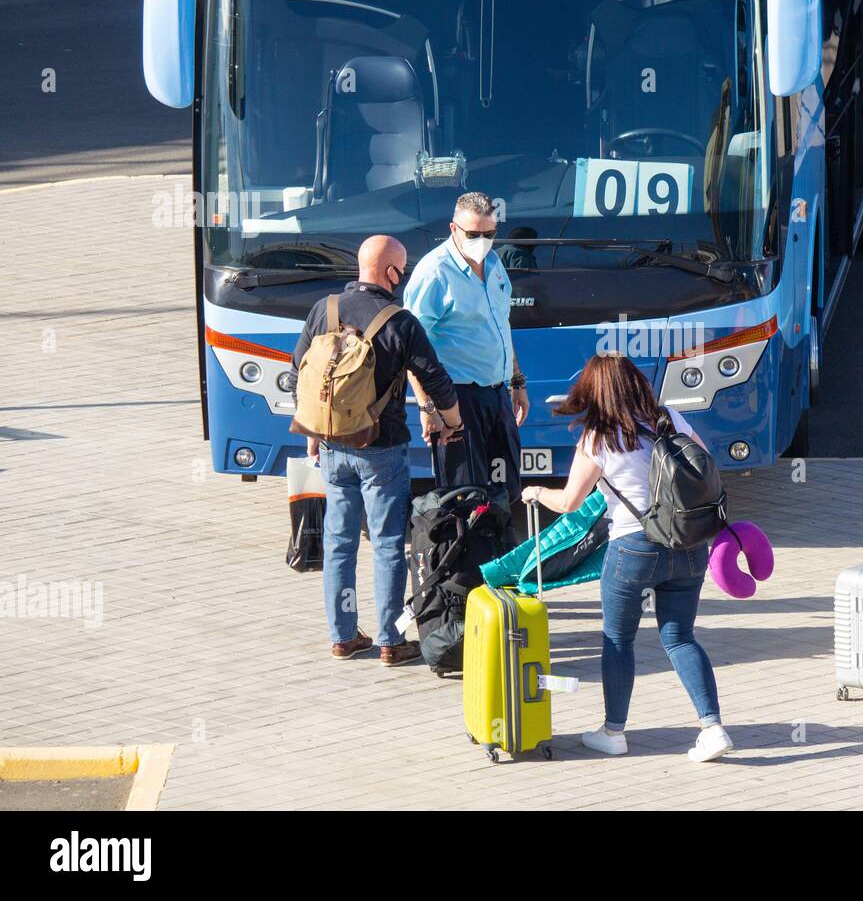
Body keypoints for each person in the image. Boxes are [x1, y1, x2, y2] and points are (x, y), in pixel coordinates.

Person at [520, 355, 733, 763]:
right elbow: (708, 466)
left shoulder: (598, 437)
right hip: (688, 545)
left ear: (594, 391)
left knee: (619, 639)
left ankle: (613, 732)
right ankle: (712, 727)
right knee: (680, 637)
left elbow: (569, 503)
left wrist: (535, 493)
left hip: (633, 548)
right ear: (637, 383)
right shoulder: (670, 417)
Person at [289, 235, 464, 665]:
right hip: (381, 449)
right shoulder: (399, 321)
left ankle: (343, 635)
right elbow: (436, 379)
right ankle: (390, 640)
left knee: (339, 542)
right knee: (387, 544)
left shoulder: (324, 309)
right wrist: (454, 423)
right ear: (392, 273)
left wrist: (314, 427)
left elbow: (298, 374)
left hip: (332, 446)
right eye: (400, 269)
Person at [404, 192, 529, 517]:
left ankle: (498, 557)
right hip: (456, 400)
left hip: (496, 395)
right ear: (453, 228)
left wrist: (516, 382)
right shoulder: (435, 273)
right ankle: (465, 565)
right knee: (463, 496)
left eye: (489, 234)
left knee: (506, 491)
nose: (482, 241)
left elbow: (501, 325)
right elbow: (410, 346)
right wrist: (427, 406)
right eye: (474, 235)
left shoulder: (494, 262)